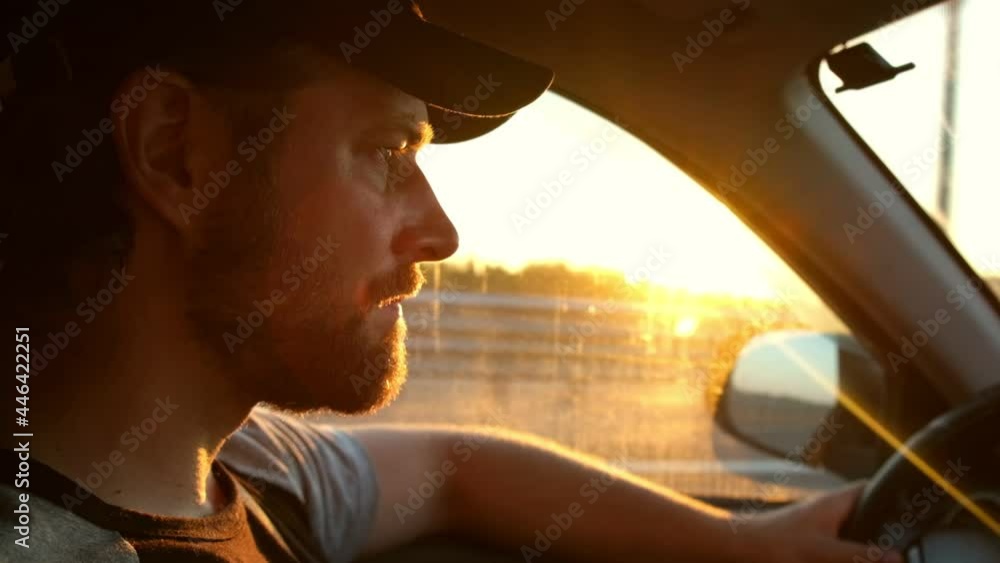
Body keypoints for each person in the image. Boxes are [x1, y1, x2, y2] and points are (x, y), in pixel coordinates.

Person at [0, 1, 899, 561]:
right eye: (388, 153)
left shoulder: (239, 460)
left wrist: (744, 544)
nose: (441, 232)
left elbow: (449, 467)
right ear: (176, 154)